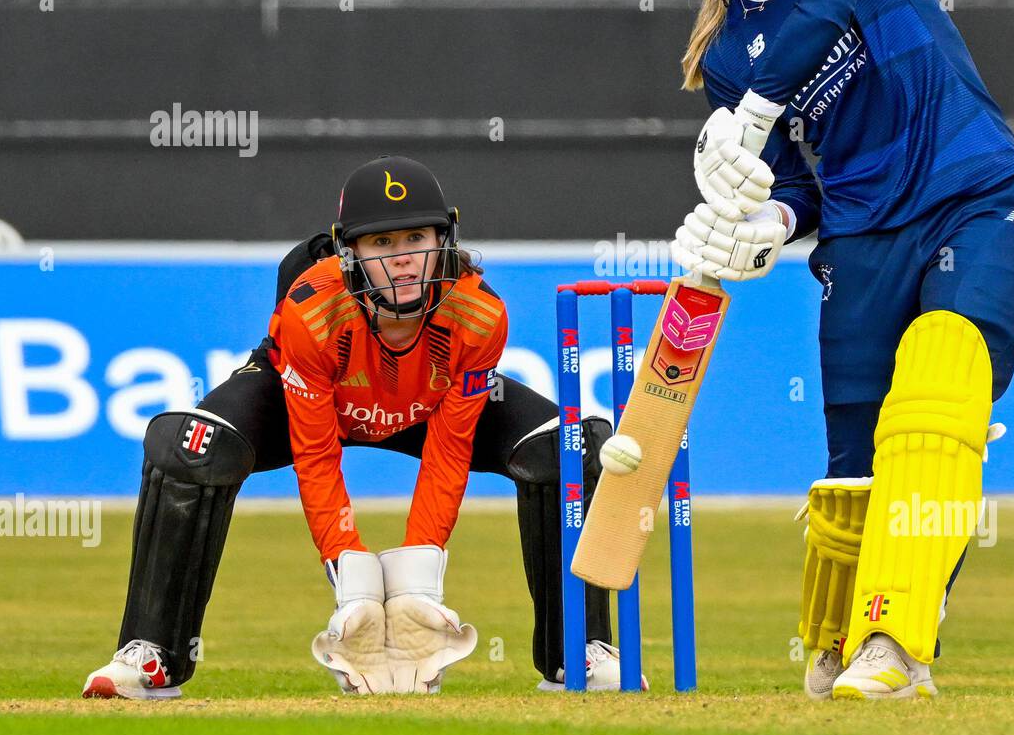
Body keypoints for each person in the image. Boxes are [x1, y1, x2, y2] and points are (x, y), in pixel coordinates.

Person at [640, 0, 1014, 699]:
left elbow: (820, 14)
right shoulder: (723, 61)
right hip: (862, 239)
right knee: (855, 471)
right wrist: (767, 224)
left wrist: (749, 111)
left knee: (936, 393)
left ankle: (896, 646)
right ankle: (837, 643)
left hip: (974, 196)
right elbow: (797, 184)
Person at [83, 154, 637, 698]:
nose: (403, 259)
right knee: (189, 445)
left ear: (444, 240)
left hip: (427, 402)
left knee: (570, 447)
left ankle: (578, 652)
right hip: (313, 399)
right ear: (349, 253)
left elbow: (449, 450)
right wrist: (350, 576)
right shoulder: (312, 310)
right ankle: (151, 652)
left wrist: (418, 579)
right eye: (382, 244)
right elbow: (316, 453)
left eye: (416, 239)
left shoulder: (479, 312)